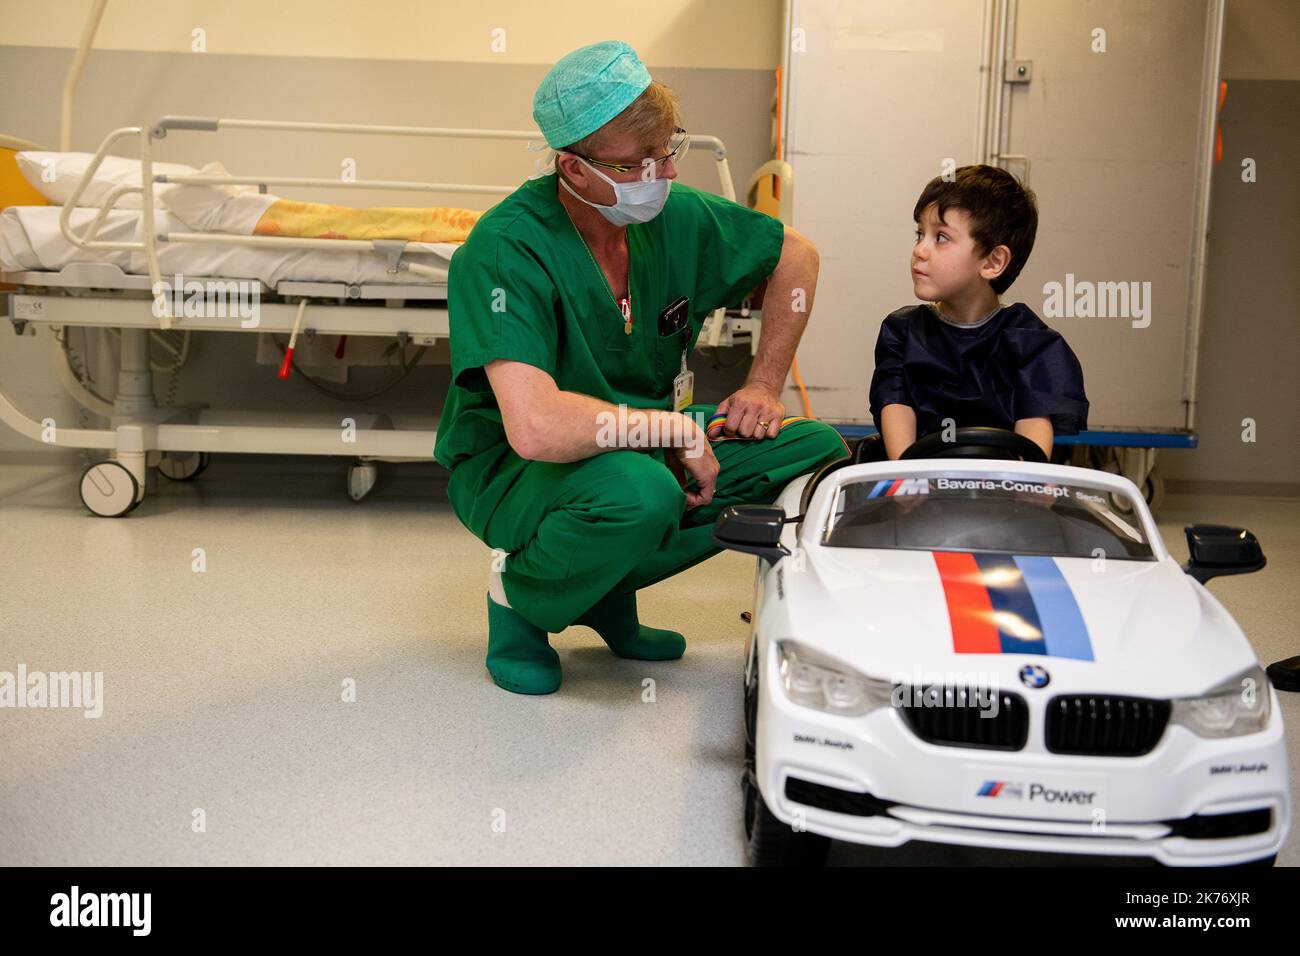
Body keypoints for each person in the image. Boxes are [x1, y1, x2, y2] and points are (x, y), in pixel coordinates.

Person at [433, 41, 849, 695]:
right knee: (639, 492)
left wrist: (764, 383)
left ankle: (602, 592)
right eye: (635, 164)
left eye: (668, 150)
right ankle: (519, 600)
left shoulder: (673, 218)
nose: (665, 175)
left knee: (809, 449)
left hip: (646, 447)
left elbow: (796, 257)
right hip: (517, 470)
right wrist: (675, 433)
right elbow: (535, 428)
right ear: (572, 167)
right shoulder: (504, 251)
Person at [869, 164, 1088, 461]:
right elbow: (900, 441)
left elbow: (1033, 450)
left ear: (993, 261)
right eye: (920, 234)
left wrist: (1027, 491)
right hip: (919, 491)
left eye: (941, 237)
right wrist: (910, 486)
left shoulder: (1032, 343)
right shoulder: (902, 333)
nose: (920, 250)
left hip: (1002, 495)